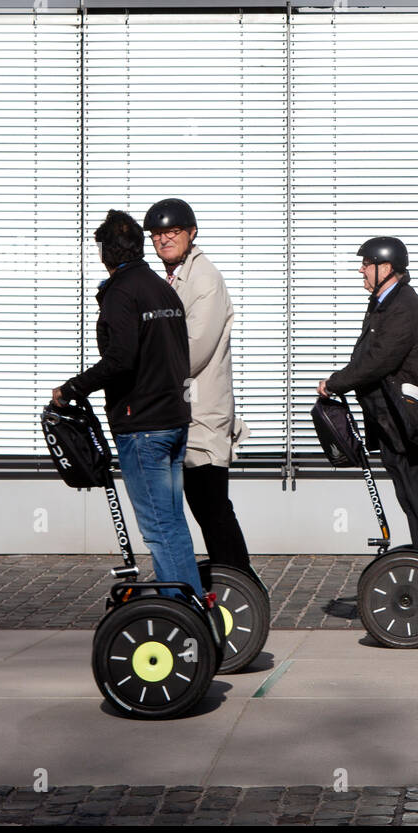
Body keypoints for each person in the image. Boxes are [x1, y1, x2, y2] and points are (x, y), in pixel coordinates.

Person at [52, 209, 205, 601]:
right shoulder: (161, 288)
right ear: (138, 247)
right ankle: (192, 603)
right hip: (173, 420)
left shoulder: (122, 293)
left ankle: (182, 613)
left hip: (143, 428)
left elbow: (121, 359)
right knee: (172, 523)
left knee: (157, 527)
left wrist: (72, 388)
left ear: (107, 252)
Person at [318, 237, 418, 556]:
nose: (361, 270)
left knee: (416, 496)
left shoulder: (402, 306)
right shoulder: (385, 301)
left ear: (386, 268)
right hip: (392, 419)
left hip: (407, 421)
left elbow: (379, 359)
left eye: (367, 264)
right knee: (409, 495)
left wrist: (336, 382)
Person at [143, 198, 253, 575]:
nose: (163, 240)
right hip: (184, 412)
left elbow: (192, 351)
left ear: (191, 234)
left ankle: (240, 583)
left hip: (203, 414)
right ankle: (233, 581)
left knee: (213, 506)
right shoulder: (175, 278)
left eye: (172, 232)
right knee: (206, 507)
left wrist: (142, 374)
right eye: (157, 235)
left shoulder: (204, 279)